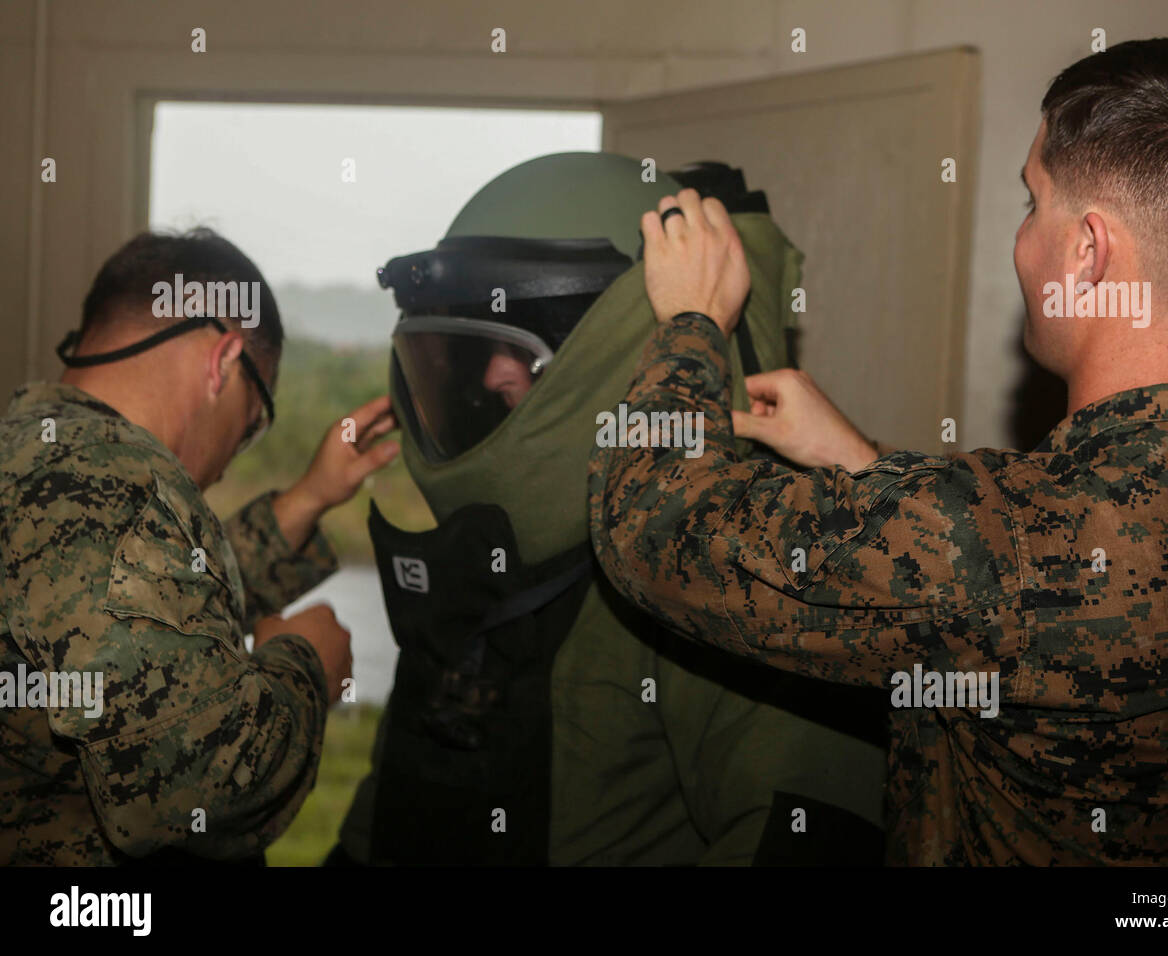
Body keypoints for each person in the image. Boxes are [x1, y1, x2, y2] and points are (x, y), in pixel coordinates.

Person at [590, 37, 1168, 864]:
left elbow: (648, 522)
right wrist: (858, 457)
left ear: (1088, 251)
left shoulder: (1006, 548)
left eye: (1033, 204)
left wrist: (692, 323)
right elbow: (987, 560)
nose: (1023, 238)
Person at [331, 152, 889, 866]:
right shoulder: (486, 552)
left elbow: (805, 831)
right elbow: (408, 787)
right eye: (476, 337)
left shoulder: (735, 566)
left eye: (535, 331)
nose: (496, 372)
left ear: (625, 341)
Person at [0, 228, 397, 864]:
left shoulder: (36, 451)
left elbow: (138, 621)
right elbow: (187, 787)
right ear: (222, 362)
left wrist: (306, 500)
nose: (229, 458)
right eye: (254, 421)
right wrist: (304, 668)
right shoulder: (113, 480)